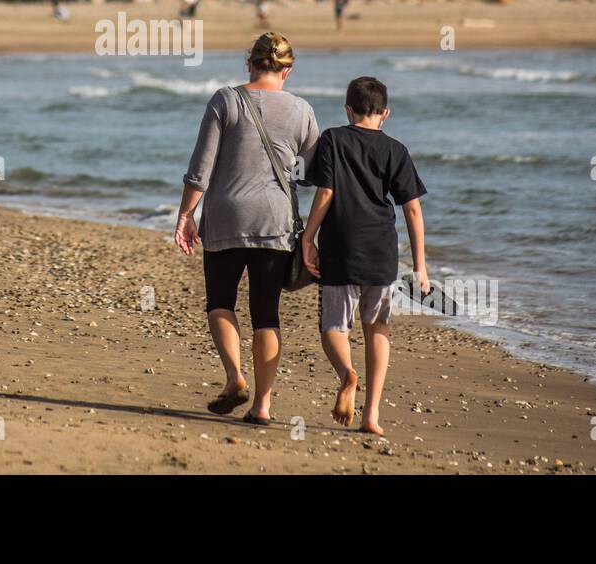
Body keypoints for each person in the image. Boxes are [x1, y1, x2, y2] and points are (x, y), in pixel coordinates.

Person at [174, 32, 319, 424]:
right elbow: (312, 173)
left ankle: (235, 376)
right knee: (266, 314)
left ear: (249, 64)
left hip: (226, 216)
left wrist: (186, 215)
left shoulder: (225, 100)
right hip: (276, 223)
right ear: (287, 71)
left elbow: (200, 170)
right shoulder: (302, 110)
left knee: (220, 301)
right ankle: (263, 405)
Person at [301, 76, 427, 436]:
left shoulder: (333, 139)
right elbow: (413, 211)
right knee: (378, 328)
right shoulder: (396, 150)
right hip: (382, 251)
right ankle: (371, 415)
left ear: (347, 109)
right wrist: (420, 266)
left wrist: (308, 238)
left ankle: (347, 375)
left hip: (342, 246)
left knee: (332, 327)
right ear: (385, 113)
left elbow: (324, 193)